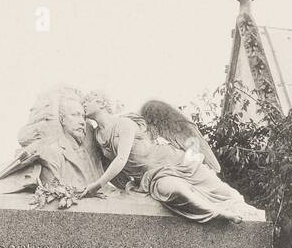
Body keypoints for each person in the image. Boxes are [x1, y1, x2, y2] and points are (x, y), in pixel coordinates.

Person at [80, 92, 266, 224]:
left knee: (224, 192)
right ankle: (218, 213)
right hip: (151, 177)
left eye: (87, 100)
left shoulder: (124, 123)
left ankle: (240, 208)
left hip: (172, 160)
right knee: (175, 191)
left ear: (101, 102)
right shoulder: (97, 136)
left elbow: (120, 160)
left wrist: (96, 185)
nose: (84, 104)